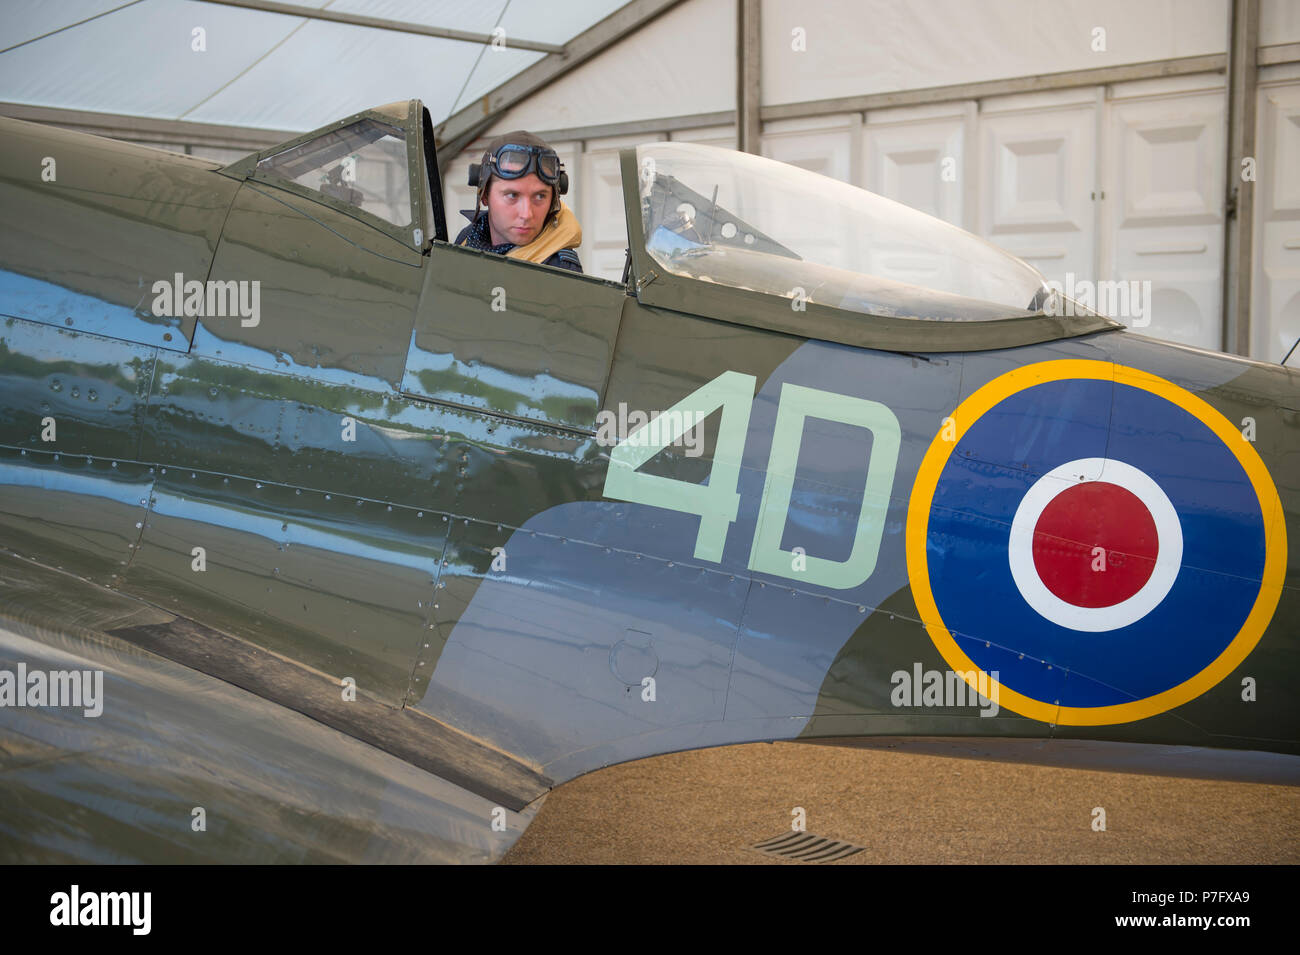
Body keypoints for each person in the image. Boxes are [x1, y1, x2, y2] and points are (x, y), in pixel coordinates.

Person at [455, 131, 583, 273]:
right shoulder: (468, 239)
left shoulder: (560, 269)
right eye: (512, 195)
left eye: (540, 196)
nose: (526, 214)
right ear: (485, 195)